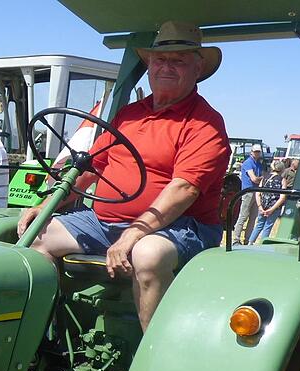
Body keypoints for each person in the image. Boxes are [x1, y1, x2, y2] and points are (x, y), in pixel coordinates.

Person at [16, 21, 229, 331]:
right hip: (106, 223)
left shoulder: (204, 124)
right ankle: (51, 335)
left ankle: (152, 358)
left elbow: (184, 189)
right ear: (150, 65)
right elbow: (90, 166)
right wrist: (48, 204)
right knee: (36, 234)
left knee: (148, 254)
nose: (166, 67)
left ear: (198, 69)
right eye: (160, 60)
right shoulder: (130, 114)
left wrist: (133, 234)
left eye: (179, 60)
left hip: (183, 226)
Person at [248, 159, 290, 243]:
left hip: (263, 205)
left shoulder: (264, 178)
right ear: (282, 169)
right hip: (274, 207)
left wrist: (259, 206)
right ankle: (262, 244)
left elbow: (258, 193)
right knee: (267, 226)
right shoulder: (282, 180)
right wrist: (272, 209)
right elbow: (282, 197)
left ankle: (250, 242)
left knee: (259, 225)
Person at [233, 145, 265, 243]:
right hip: (248, 192)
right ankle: (236, 239)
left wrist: (260, 179)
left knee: (253, 218)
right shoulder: (248, 163)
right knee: (243, 216)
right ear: (251, 152)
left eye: (258, 152)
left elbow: (259, 178)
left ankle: (247, 240)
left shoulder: (258, 164)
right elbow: (254, 179)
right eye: (255, 151)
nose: (257, 153)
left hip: (256, 193)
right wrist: (261, 178)